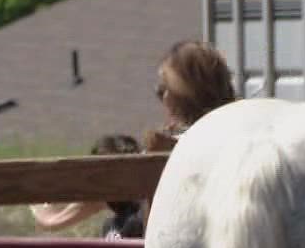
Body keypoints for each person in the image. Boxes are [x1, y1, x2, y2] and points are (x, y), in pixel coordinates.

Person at [30, 40, 238, 235]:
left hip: (153, 243)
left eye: (162, 90)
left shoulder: (170, 148)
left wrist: (40, 201)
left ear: (178, 97)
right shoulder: (234, 139)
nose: (161, 98)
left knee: (111, 229)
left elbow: (53, 220)